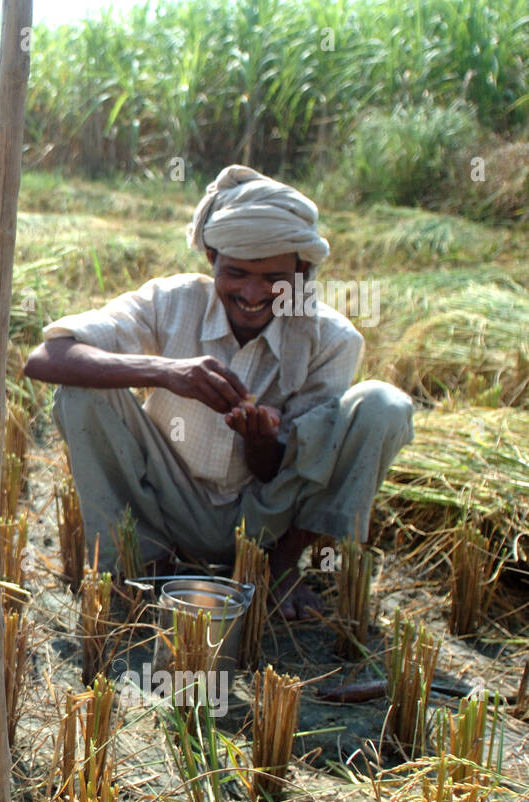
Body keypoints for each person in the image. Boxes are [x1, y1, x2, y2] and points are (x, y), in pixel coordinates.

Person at [24, 165, 413, 620]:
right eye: (237, 273)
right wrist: (167, 372)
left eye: (273, 278)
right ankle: (139, 561)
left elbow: (285, 471)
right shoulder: (171, 301)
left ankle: (282, 571)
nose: (252, 293)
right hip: (166, 500)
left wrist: (261, 440)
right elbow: (44, 358)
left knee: (384, 405)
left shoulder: (331, 339)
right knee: (79, 393)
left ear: (301, 270)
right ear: (211, 259)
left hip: (265, 516)